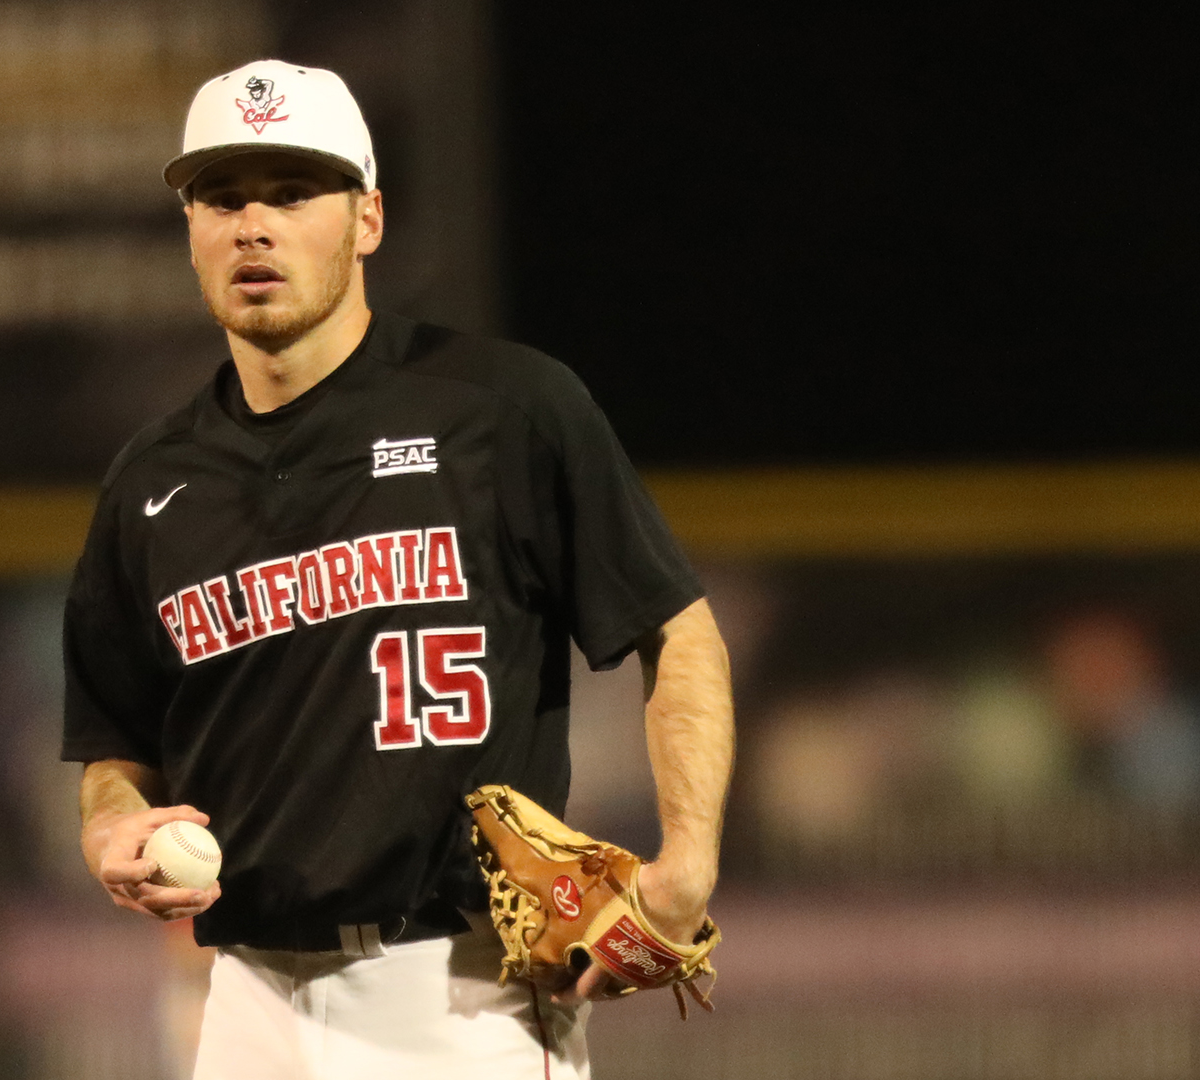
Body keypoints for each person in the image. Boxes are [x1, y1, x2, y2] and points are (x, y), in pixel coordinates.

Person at [61, 59, 734, 1080]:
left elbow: (673, 629)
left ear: (368, 220)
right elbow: (116, 743)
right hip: (244, 1000)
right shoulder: (151, 481)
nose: (254, 225)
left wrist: (687, 863)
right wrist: (113, 829)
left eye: (293, 193)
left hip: (460, 996)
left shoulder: (502, 410)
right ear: (191, 228)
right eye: (224, 196)